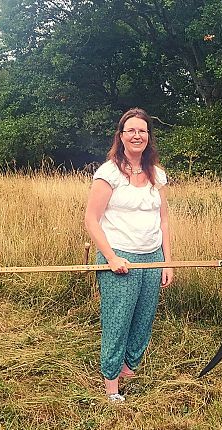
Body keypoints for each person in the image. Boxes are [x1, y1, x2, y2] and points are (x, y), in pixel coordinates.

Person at [84, 107, 173, 403]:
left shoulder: (157, 175)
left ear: (149, 137)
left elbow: (164, 221)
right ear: (121, 136)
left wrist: (166, 261)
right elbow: (91, 220)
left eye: (143, 131)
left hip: (152, 256)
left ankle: (127, 368)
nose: (137, 135)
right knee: (118, 319)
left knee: (143, 318)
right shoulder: (108, 173)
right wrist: (111, 258)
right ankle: (111, 385)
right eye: (131, 130)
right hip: (119, 257)